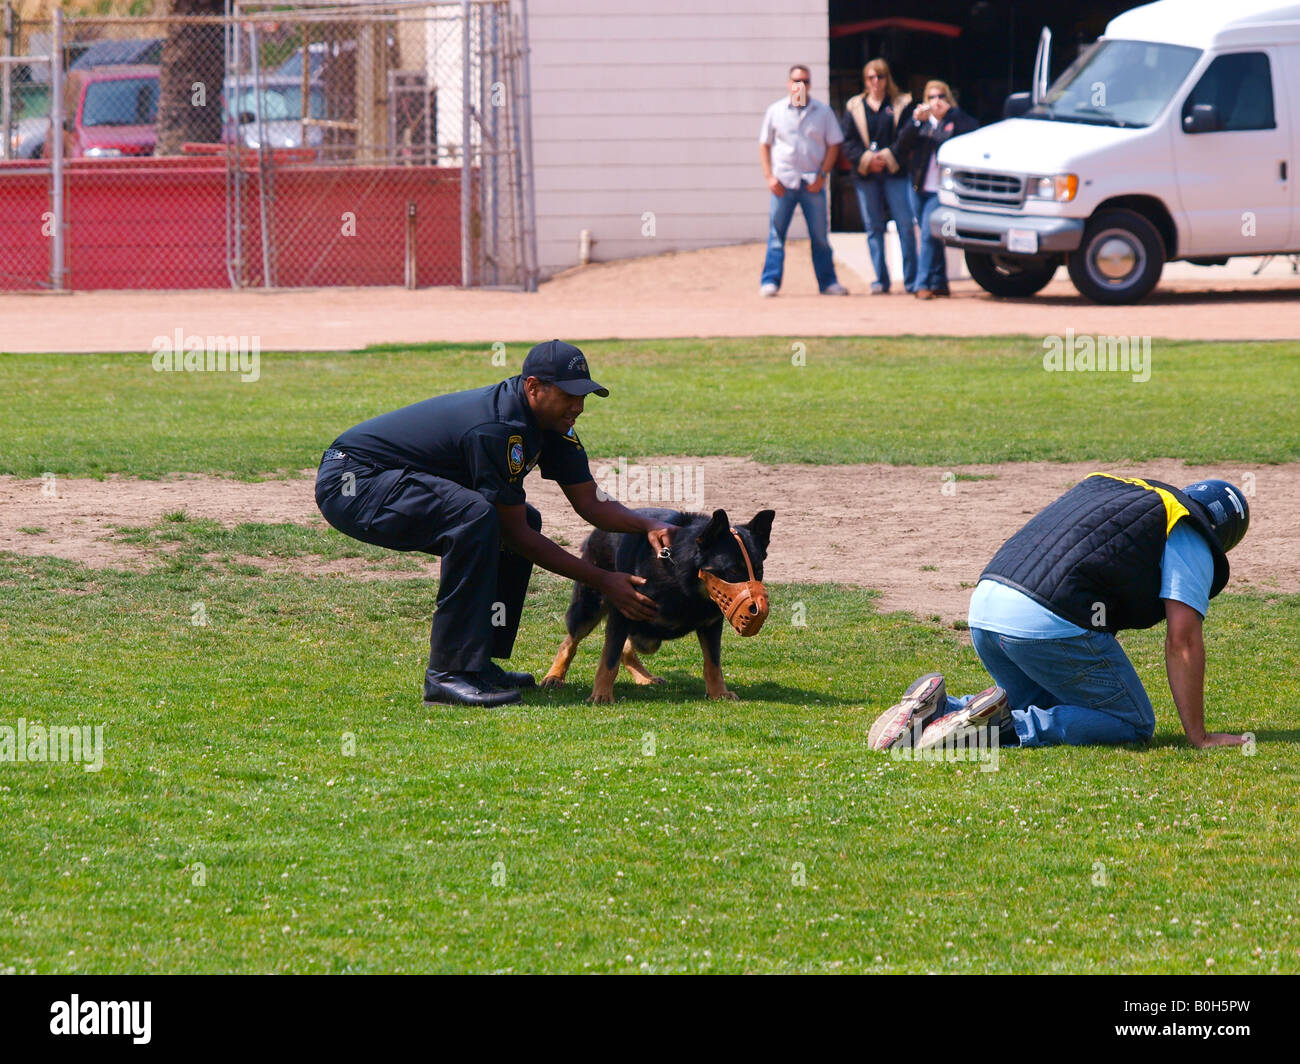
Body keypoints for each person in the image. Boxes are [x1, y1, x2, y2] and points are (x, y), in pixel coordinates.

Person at [315, 340, 678, 707]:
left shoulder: (554, 422)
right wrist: (602, 580)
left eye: (583, 395)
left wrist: (646, 523)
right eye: (569, 395)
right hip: (353, 480)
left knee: (511, 518)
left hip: (381, 479)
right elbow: (516, 536)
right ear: (533, 387)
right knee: (476, 518)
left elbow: (588, 500)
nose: (578, 407)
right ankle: (447, 675)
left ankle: (476, 666)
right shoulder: (499, 427)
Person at [869, 475, 1251, 751]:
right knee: (1131, 724)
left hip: (987, 604)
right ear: (1224, 537)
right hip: (1043, 619)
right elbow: (1182, 639)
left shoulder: (1119, 486)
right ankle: (1005, 730)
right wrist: (1199, 735)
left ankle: (941, 708)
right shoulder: (1191, 530)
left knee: (1049, 704)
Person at [758, 64, 849, 297]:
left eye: (805, 81)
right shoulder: (775, 111)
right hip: (783, 182)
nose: (801, 86)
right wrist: (769, 176)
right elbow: (764, 144)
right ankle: (770, 282)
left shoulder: (823, 112)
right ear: (789, 84)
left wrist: (822, 175)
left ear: (810, 85)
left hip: (812, 183)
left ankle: (828, 283)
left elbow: (834, 144)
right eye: (796, 81)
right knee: (776, 235)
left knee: (820, 237)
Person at [886, 79, 976, 299]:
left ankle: (922, 283)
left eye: (941, 97)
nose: (937, 102)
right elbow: (900, 146)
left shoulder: (955, 121)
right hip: (918, 186)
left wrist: (952, 113)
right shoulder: (921, 123)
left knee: (927, 233)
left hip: (941, 189)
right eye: (932, 97)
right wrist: (916, 122)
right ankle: (940, 281)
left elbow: (973, 131)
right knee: (933, 235)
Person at [839, 58, 918, 294]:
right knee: (873, 227)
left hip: (895, 172)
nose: (876, 82)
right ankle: (880, 280)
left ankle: (912, 280)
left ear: (887, 79)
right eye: (871, 77)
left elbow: (907, 136)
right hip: (866, 175)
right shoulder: (854, 106)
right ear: (865, 81)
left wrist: (886, 157)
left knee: (904, 224)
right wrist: (867, 160)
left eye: (880, 76)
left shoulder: (901, 103)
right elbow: (847, 141)